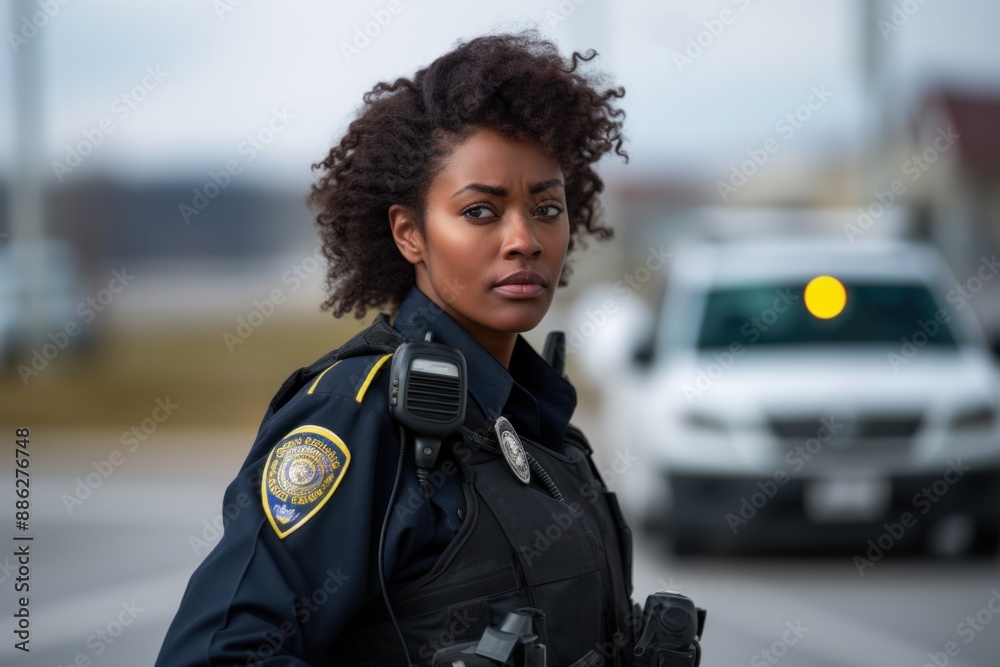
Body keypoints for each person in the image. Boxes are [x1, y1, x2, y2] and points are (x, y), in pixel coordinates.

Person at [156, 31, 636, 666]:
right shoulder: (361, 417)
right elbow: (217, 656)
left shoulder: (544, 427)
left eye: (546, 206)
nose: (525, 239)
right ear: (410, 233)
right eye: (480, 212)